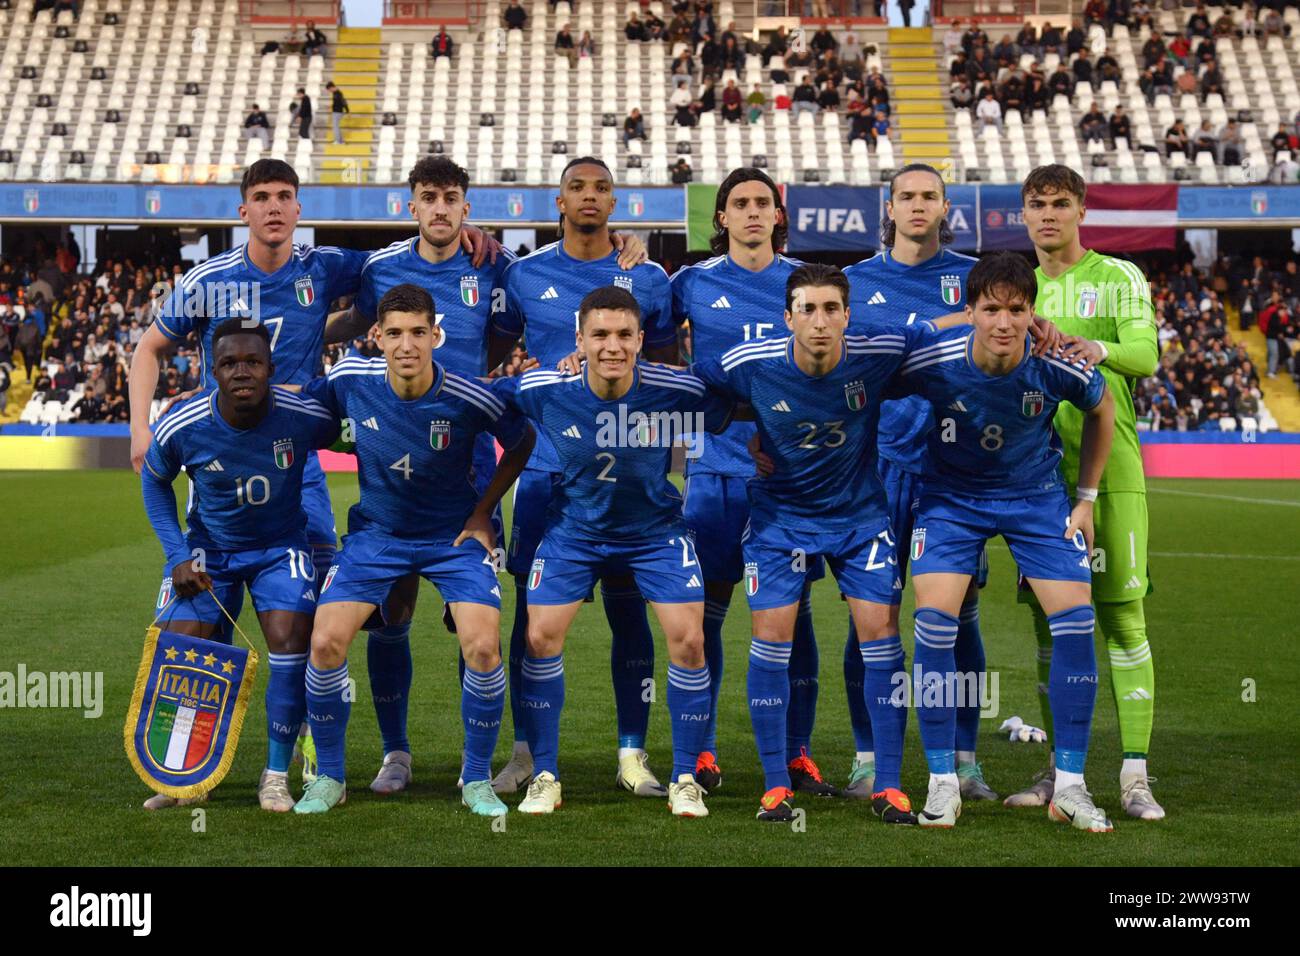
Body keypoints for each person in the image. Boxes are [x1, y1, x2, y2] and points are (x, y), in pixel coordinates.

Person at [691, 264, 941, 824]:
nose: (820, 320)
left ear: (848, 316)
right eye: (808, 309)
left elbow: (944, 332)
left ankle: (890, 785)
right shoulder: (749, 362)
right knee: (771, 639)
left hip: (860, 520)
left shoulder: (879, 351)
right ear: (788, 317)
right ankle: (777, 783)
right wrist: (742, 423)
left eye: (832, 309)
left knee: (882, 637)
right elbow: (695, 384)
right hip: (781, 520)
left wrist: (1013, 321)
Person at [891, 251, 1117, 831]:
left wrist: (1086, 497)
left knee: (1075, 620)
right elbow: (874, 368)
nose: (1004, 322)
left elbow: (1103, 405)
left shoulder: (1053, 362)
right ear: (971, 311)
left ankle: (1070, 786)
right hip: (949, 498)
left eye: (1017, 310)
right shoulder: (934, 359)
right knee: (934, 624)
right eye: (991, 309)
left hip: (1036, 497)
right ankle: (943, 783)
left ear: (1032, 314)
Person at [489, 287, 733, 817]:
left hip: (654, 532)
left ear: (641, 340)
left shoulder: (674, 388)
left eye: (624, 335)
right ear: (579, 340)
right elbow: (493, 405)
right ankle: (546, 773)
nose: (612, 346)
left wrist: (757, 444)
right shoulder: (544, 388)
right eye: (599, 334)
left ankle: (685, 777)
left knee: (690, 639)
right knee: (537, 634)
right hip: (574, 530)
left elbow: (729, 404)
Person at [292, 284, 535, 816]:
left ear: (435, 336)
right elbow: (295, 409)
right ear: (376, 336)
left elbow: (522, 442)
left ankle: (475, 781)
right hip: (377, 535)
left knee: (483, 648)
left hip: (452, 539)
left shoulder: (471, 396)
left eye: (419, 333)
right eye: (395, 333)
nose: (407, 345)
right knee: (326, 642)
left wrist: (482, 512)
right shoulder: (349, 380)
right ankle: (331, 777)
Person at [497, 157, 679, 798]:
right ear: (559, 200)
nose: (590, 197)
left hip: (626, 481)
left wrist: (656, 454)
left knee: (630, 615)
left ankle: (632, 753)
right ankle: (527, 752)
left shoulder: (648, 277)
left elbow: (667, 375)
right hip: (548, 471)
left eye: (602, 187)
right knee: (533, 616)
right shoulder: (523, 274)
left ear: (617, 200)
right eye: (578, 187)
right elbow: (495, 362)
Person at [128, 160, 368, 641]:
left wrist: (474, 238)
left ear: (299, 208)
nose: (273, 207)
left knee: (315, 610)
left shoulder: (321, 268)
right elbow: (148, 348)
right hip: (223, 457)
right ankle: (204, 707)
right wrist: (140, 429)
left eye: (283, 196)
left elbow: (399, 265)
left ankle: (311, 708)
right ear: (244, 211)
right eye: (262, 197)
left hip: (297, 462)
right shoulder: (208, 281)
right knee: (206, 617)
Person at [1006, 164, 1166, 822]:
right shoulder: (1018, 287)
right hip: (1038, 480)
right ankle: (1058, 770)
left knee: (1123, 619)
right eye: (1037, 204)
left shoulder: (1117, 276)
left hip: (1113, 476)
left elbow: (1147, 354)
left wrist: (1091, 346)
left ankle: (1134, 775)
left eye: (1060, 204)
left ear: (1080, 211)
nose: (1048, 215)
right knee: (1051, 625)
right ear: (1023, 214)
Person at [666, 169, 830, 798]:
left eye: (764, 202)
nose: (753, 212)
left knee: (798, 621)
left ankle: (797, 754)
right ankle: (702, 752)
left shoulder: (808, 285)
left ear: (779, 215)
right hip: (714, 473)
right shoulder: (692, 283)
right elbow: (646, 331)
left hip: (791, 480)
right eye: (740, 204)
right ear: (723, 218)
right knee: (704, 617)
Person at [139, 319, 342, 812]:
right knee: (184, 643)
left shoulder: (301, 415)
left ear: (271, 368)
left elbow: (353, 427)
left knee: (291, 639)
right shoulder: (183, 423)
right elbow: (153, 481)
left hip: (280, 546)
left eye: (252, 361)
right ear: (212, 370)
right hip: (211, 551)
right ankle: (187, 773)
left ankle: (275, 774)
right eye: (229, 363)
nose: (241, 371)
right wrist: (177, 556)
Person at [840, 165, 992, 802]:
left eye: (930, 195)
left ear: (946, 205)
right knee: (871, 620)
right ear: (890, 206)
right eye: (908, 196)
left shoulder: (975, 279)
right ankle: (869, 756)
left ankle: (964, 758)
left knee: (959, 619)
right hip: (876, 472)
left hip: (955, 477)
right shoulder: (854, 282)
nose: (919, 205)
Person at [326, 82, 348, 146]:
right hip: (338, 111)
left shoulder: (337, 93)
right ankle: (341, 141)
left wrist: (347, 110)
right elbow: (341, 102)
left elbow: (341, 102)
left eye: (329, 90)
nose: (329, 91)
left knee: (335, 127)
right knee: (336, 126)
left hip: (337, 112)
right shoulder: (337, 93)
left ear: (331, 87)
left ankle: (338, 141)